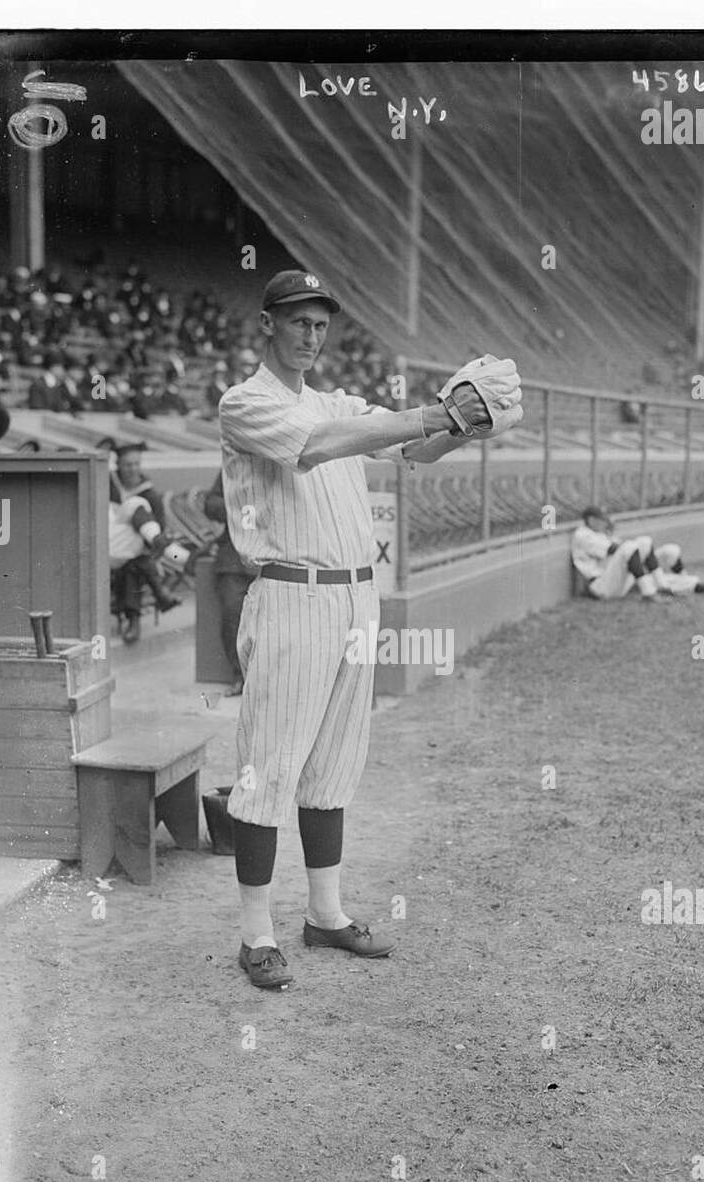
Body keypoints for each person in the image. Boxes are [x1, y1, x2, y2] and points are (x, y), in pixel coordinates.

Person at [219, 268, 523, 989]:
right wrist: (433, 411)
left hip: (356, 597)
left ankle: (324, 916)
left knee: (333, 766)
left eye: (320, 322)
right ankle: (254, 933)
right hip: (292, 594)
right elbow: (320, 444)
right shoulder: (245, 402)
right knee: (269, 768)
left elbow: (410, 450)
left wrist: (460, 425)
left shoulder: (339, 398)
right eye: (297, 320)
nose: (310, 334)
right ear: (269, 323)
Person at [571, 507, 704, 601]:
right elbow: (617, 550)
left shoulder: (600, 533)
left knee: (660, 547)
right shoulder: (582, 534)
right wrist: (644, 565)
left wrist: (647, 566)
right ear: (591, 520)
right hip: (600, 587)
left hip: (618, 581)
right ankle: (650, 593)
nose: (605, 523)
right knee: (632, 546)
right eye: (602, 520)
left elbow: (627, 551)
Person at [108, 443, 186, 643]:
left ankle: (134, 621)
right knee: (135, 559)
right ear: (118, 465)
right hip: (108, 544)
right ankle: (161, 594)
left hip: (137, 551)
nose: (133, 469)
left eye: (136, 464)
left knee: (133, 563)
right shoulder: (107, 485)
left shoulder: (150, 494)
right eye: (127, 465)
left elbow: (158, 532)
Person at [203, 471, 255, 696]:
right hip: (233, 560)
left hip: (273, 558)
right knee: (232, 613)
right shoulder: (235, 466)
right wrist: (239, 508)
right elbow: (210, 504)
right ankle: (240, 676)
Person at [27, 349, 81, 413]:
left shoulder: (62, 386)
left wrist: (72, 390)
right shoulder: (38, 386)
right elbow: (37, 410)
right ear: (54, 367)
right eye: (62, 367)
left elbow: (74, 407)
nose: (64, 371)